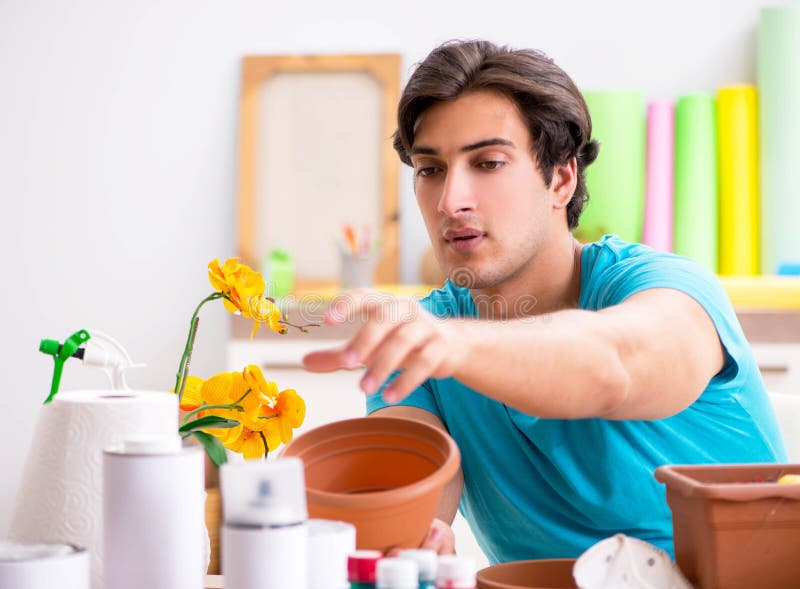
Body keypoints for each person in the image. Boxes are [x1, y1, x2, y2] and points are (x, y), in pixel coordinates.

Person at [302, 39, 786, 563]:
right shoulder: (427, 337)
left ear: (560, 177)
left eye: (487, 163)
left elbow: (613, 365)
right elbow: (412, 490)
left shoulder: (664, 287)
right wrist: (405, 532)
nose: (450, 201)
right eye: (430, 169)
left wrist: (454, 344)